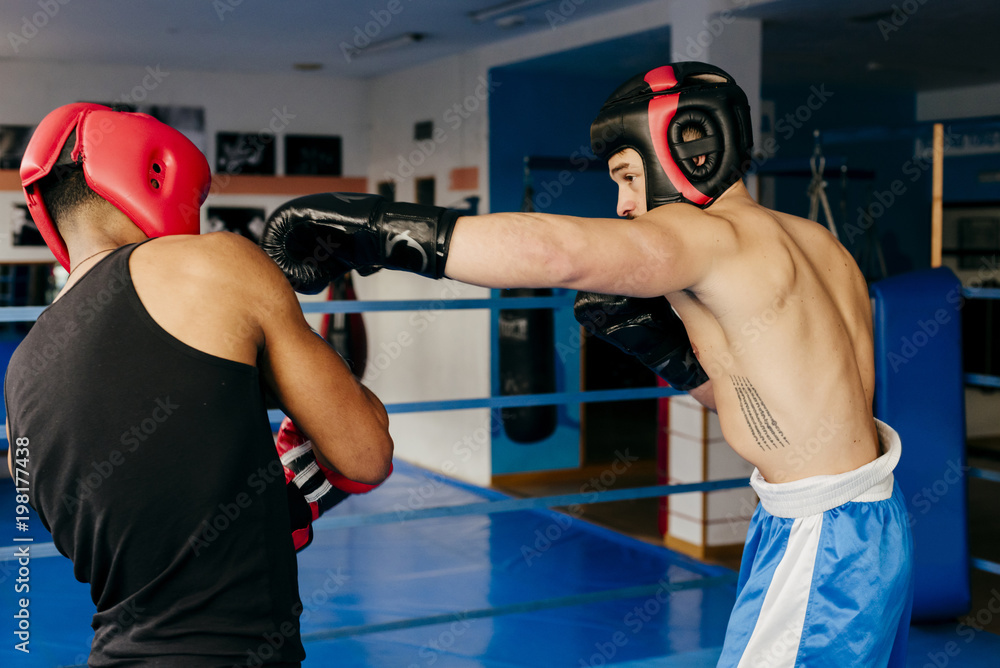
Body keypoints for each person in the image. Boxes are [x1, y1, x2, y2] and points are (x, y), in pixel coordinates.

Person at [259, 62, 914, 667]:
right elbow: (773, 401)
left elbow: (558, 253)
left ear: (691, 150)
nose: (625, 203)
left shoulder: (710, 235)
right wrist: (673, 357)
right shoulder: (818, 244)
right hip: (867, 519)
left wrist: (374, 229)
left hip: (821, 536)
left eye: (630, 177)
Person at [4, 103, 393, 666]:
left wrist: (278, 499)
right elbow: (366, 452)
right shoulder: (217, 263)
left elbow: (119, 525)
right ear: (156, 174)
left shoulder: (23, 369)